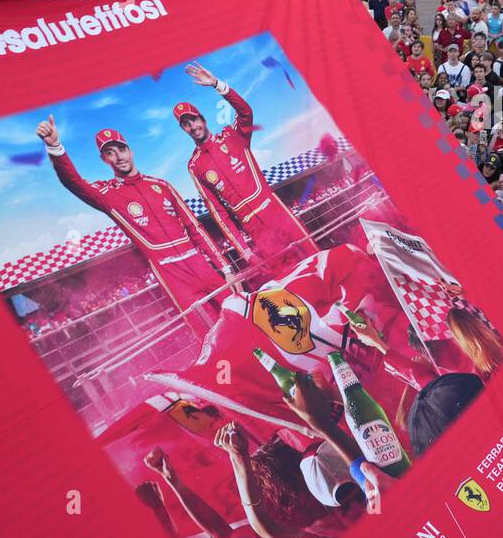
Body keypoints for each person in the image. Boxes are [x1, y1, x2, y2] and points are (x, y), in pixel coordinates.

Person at [36, 115, 235, 334]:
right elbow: (74, 182)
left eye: (121, 149)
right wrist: (55, 147)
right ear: (104, 160)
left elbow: (196, 230)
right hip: (174, 277)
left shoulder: (161, 186)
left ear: (130, 151)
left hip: (202, 266)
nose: (118, 157)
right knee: (210, 335)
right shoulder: (107, 194)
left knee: (239, 316)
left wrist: (226, 268)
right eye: (110, 153)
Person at [173, 62, 315, 273]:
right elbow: (218, 212)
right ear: (183, 129)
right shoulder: (195, 166)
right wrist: (245, 251)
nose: (193, 127)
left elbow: (245, 112)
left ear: (202, 118)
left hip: (277, 213)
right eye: (186, 124)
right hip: (254, 230)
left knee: (316, 259)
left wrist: (217, 85)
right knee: (291, 277)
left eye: (194, 119)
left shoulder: (232, 136)